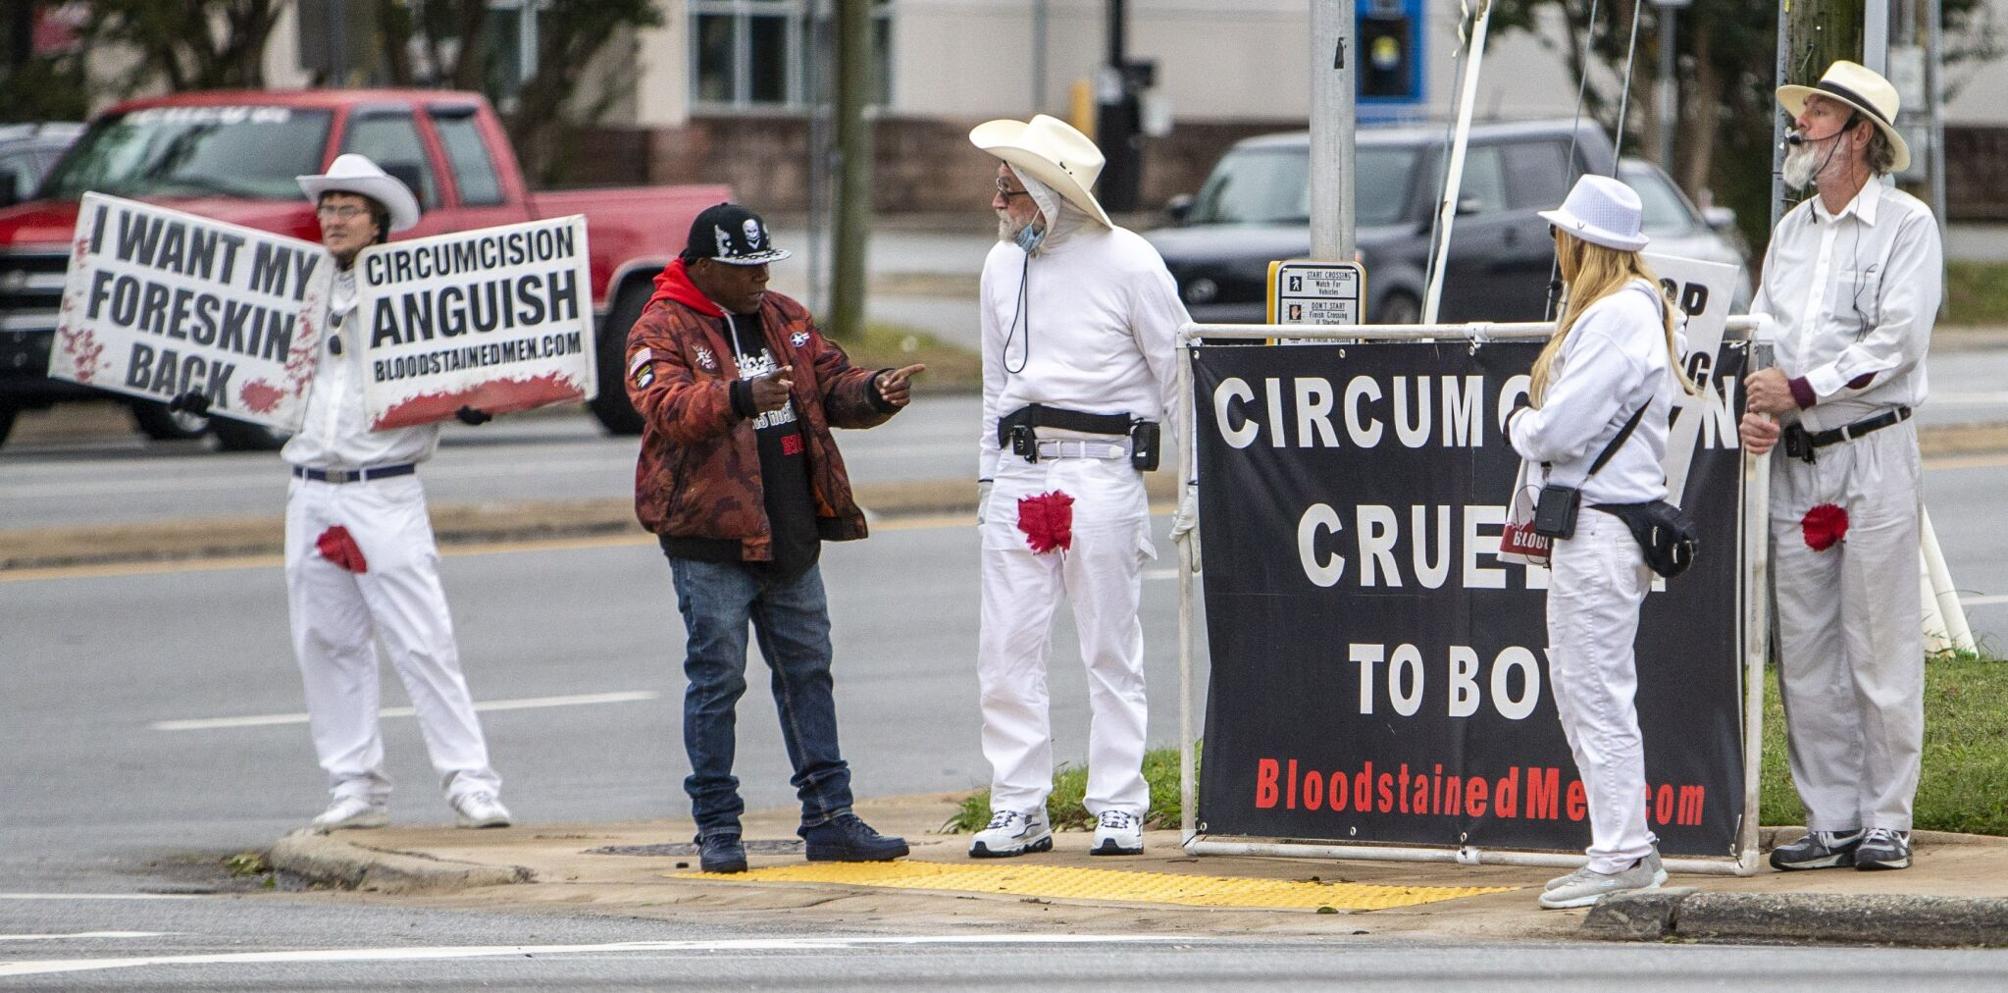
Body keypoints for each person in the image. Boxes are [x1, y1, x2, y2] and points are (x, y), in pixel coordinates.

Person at [204, 154, 509, 832]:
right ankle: (356, 785)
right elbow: (252, 368)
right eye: (328, 208)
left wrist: (470, 402)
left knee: (423, 640)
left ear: (378, 223)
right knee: (325, 639)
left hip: (385, 488)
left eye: (348, 209)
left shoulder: (418, 296)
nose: (333, 219)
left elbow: (463, 370)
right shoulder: (297, 292)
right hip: (311, 486)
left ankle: (470, 781)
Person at [625, 202, 924, 874]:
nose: (759, 274)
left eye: (764, 262)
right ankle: (717, 827)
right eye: (743, 266)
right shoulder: (659, 326)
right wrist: (738, 395)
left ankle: (829, 816)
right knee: (717, 681)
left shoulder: (785, 316)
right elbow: (666, 407)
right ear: (702, 268)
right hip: (710, 541)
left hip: (790, 537)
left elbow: (831, 384)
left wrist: (875, 390)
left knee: (808, 675)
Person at [964, 114, 1189, 858]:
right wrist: (989, 481)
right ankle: (1018, 803)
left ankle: (1119, 804)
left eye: (1008, 190)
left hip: (1101, 471)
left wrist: (1196, 484)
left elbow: (1179, 373)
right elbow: (997, 384)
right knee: (1007, 647)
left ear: (1045, 192)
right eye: (998, 187)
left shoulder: (1129, 261)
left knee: (1109, 647)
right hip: (1025, 470)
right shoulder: (1002, 266)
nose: (998, 203)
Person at [1739, 61, 1942, 873]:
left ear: (1859, 135)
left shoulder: (1908, 227)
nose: (1801, 126)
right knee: (1810, 645)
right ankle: (1832, 815)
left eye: (1817, 115)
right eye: (1805, 113)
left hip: (1874, 453)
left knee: (1880, 638)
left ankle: (1888, 814)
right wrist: (1760, 405)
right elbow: (1765, 335)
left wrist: (1799, 388)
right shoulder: (1791, 234)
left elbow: (1897, 344)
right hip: (1798, 458)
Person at [1506, 174, 1694, 909]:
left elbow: (1558, 429)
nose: (1557, 246)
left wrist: (1519, 424)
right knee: (1584, 689)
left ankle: (1623, 851)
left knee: (1595, 692)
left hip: (1602, 529)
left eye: (1563, 235)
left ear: (1582, 242)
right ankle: (1619, 846)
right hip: (1601, 526)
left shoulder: (1616, 318)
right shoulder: (1625, 312)